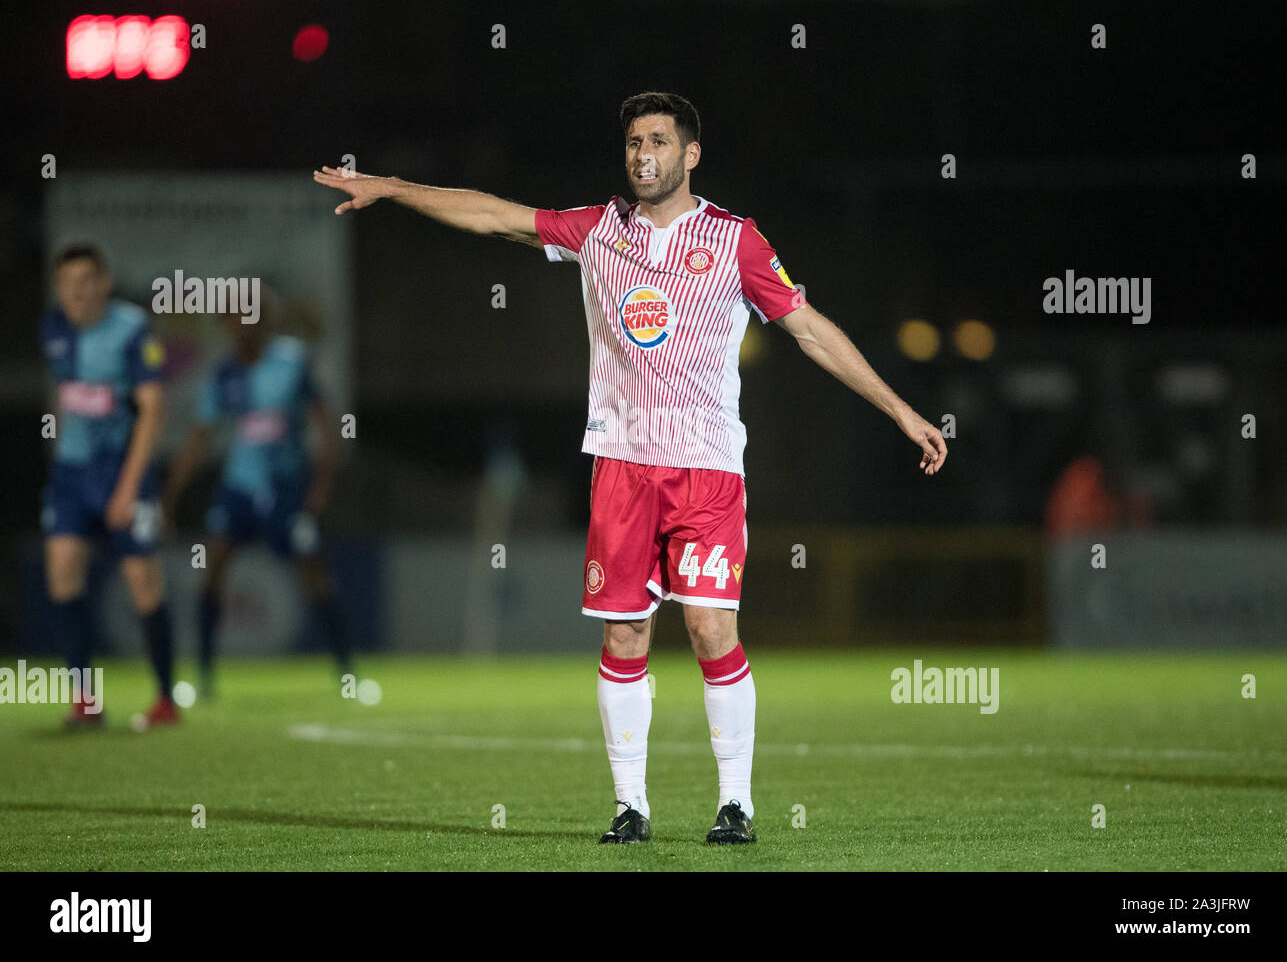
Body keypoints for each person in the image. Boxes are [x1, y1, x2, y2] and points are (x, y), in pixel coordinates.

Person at [313, 91, 948, 845]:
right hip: (620, 467)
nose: (643, 155)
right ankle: (630, 806)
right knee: (624, 638)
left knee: (712, 628)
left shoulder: (736, 240)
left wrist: (900, 408)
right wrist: (390, 189)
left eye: (658, 141)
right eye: (633, 143)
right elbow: (494, 213)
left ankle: (736, 803)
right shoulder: (597, 231)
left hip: (708, 469)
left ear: (691, 153)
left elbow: (808, 330)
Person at [162, 303, 348, 698]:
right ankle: (205, 679)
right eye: (232, 319)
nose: (240, 326)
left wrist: (319, 488)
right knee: (212, 571)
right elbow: (200, 438)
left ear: (267, 321)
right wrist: (170, 496)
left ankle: (347, 673)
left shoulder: (293, 361)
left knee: (313, 574)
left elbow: (325, 426)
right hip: (239, 489)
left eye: (250, 316)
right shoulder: (224, 374)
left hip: (287, 488)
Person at [41, 243, 178, 729]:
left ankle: (165, 699)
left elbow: (153, 410)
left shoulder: (132, 329)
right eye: (66, 283)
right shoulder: (53, 328)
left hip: (124, 472)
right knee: (62, 574)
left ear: (105, 283)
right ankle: (85, 701)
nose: (75, 292)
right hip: (73, 476)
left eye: (84, 281)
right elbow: (67, 401)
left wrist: (128, 487)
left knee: (143, 582)